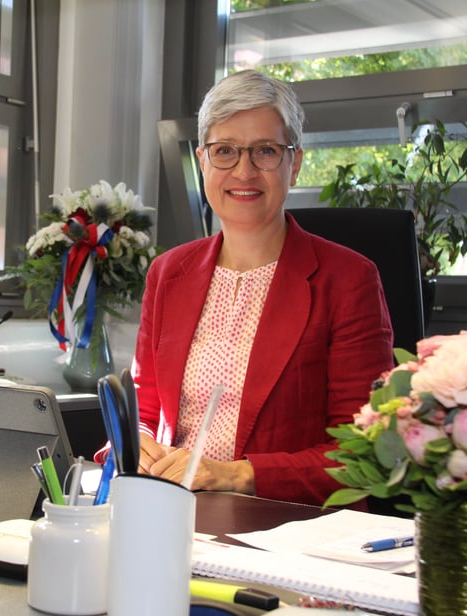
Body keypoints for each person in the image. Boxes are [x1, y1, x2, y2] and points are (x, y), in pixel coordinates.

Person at [131, 70, 393, 506]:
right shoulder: (167, 273)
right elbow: (143, 410)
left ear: (296, 163)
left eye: (266, 151)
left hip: (281, 523)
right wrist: (134, 443)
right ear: (202, 161)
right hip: (170, 512)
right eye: (225, 151)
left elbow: (361, 452)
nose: (244, 171)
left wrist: (237, 475)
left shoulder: (348, 280)